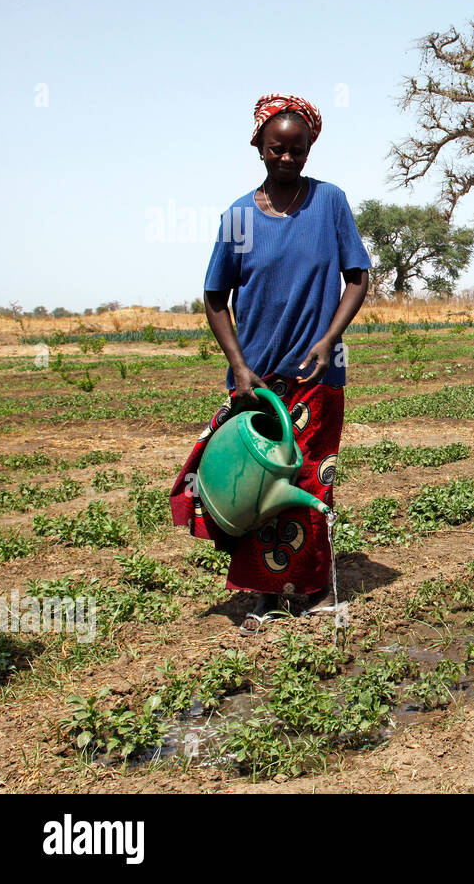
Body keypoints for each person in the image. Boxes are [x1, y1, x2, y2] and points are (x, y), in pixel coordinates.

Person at [170, 94, 371, 633]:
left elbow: (357, 277)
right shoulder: (238, 216)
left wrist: (330, 340)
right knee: (255, 483)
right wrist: (237, 365)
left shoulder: (330, 203)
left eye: (297, 150)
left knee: (310, 479)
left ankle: (310, 587)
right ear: (259, 144)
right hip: (257, 378)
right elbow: (215, 296)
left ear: (310, 150)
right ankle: (261, 590)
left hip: (317, 372)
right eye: (277, 148)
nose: (286, 158)